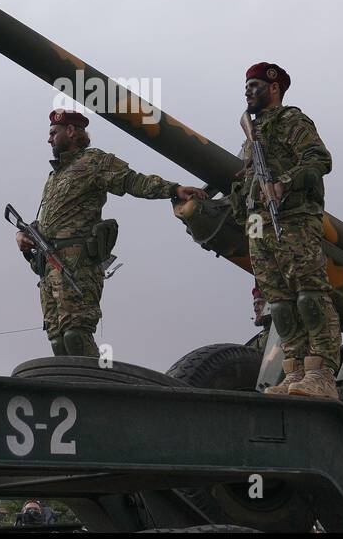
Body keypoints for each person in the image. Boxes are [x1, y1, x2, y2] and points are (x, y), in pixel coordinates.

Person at [16, 109, 207, 356]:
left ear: (71, 132)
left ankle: (95, 389)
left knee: (76, 334)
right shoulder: (55, 176)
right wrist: (25, 236)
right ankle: (70, 388)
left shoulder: (94, 161)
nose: (49, 139)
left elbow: (132, 181)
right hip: (50, 266)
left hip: (78, 264)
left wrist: (173, 189)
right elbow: (52, 220)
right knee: (57, 340)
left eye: (54, 133)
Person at [228, 63, 339, 399]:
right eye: (247, 85)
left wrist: (284, 183)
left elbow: (320, 160)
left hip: (293, 217)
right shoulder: (251, 135)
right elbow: (245, 179)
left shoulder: (293, 121)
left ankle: (321, 374)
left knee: (308, 293)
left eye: (256, 85)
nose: (248, 91)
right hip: (258, 221)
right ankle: (295, 371)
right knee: (278, 302)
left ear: (274, 89)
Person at [248, 285, 271, 354]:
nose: (255, 309)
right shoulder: (256, 341)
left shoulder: (282, 334)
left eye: (259, 303)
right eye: (254, 304)